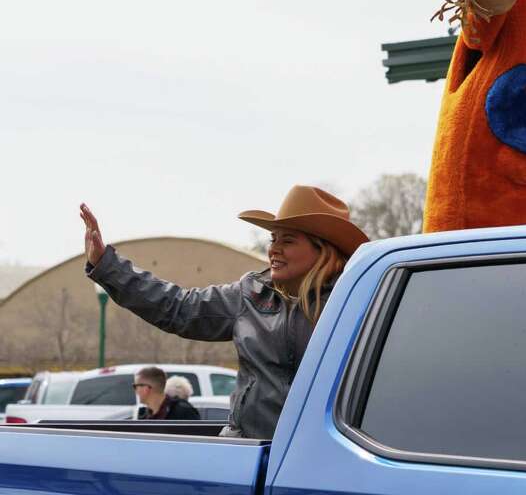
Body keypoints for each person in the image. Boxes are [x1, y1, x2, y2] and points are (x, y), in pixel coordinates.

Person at [81, 185, 368, 439]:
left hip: (323, 456)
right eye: (273, 239)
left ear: (323, 250)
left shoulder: (358, 301)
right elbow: (178, 307)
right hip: (250, 453)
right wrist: (108, 266)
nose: (274, 250)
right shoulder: (250, 294)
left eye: (288, 240)